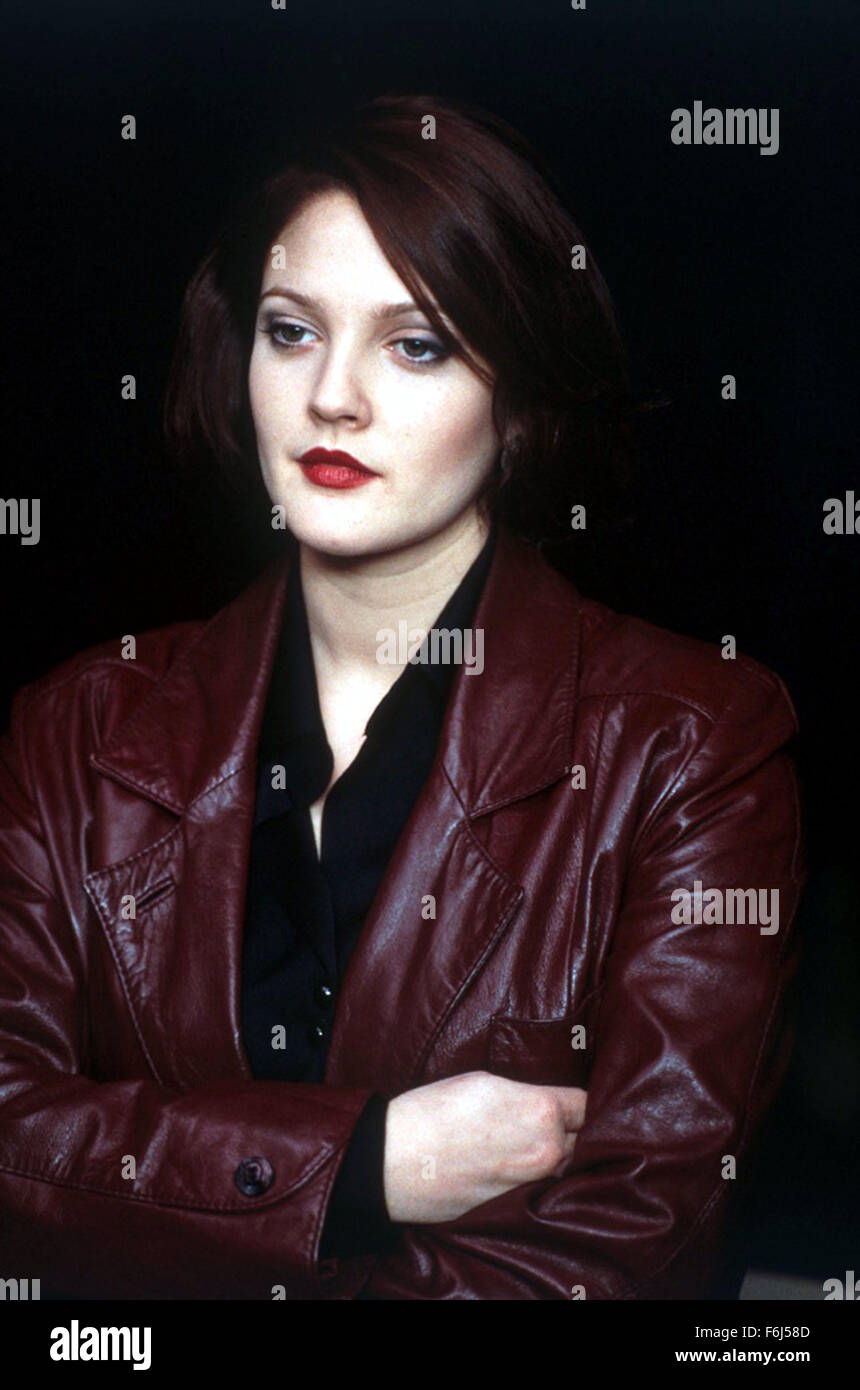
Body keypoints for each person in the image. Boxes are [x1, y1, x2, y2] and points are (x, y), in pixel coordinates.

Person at [0, 92, 805, 1300]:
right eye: (290, 331)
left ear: (518, 395)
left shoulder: (690, 742)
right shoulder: (77, 726)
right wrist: (364, 1165)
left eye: (414, 343)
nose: (333, 395)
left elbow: (632, 1254)